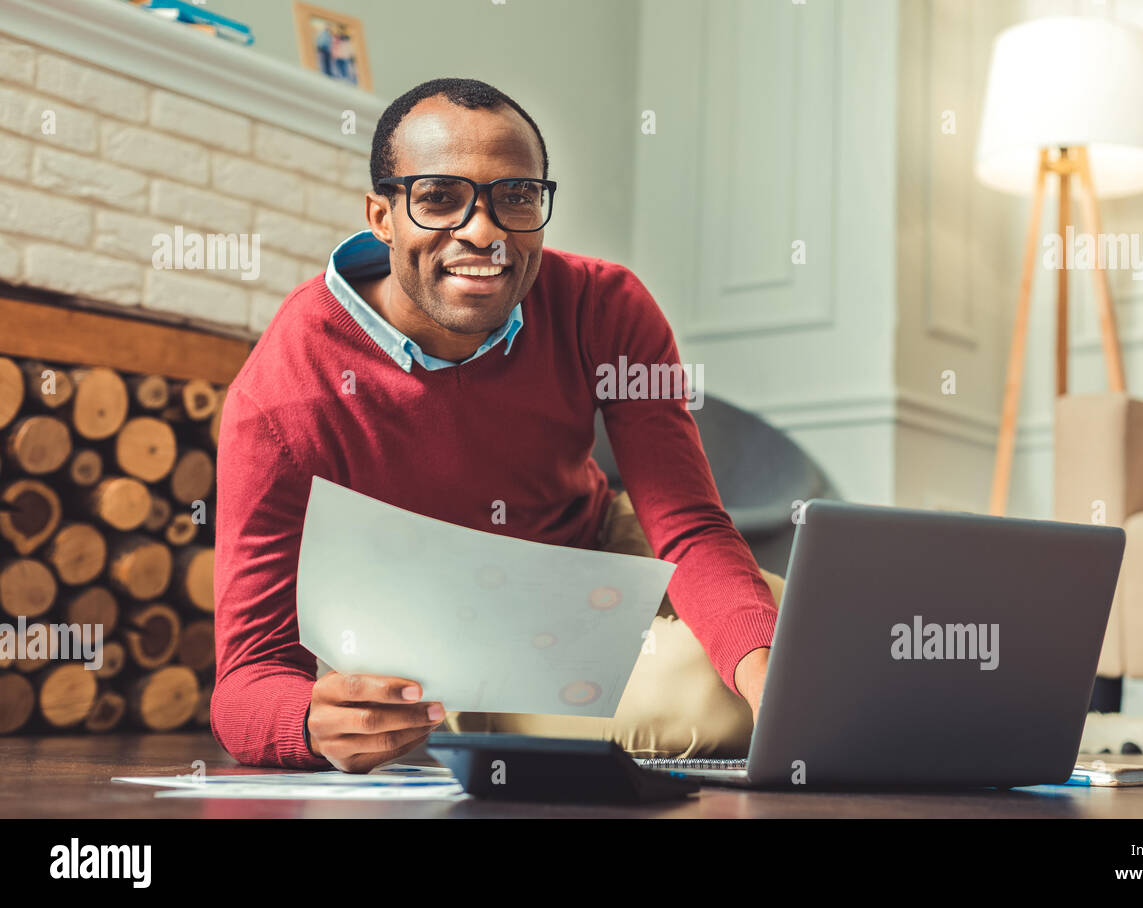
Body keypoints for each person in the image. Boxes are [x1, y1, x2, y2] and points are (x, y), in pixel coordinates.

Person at [212, 78, 780, 772]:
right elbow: (247, 678)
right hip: (454, 633)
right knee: (700, 699)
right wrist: (308, 722)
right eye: (438, 198)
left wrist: (764, 667)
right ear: (381, 216)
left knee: (819, 639)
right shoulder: (279, 400)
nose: (483, 232)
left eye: (515, 196)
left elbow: (687, 525)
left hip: (593, 542)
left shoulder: (606, 307)